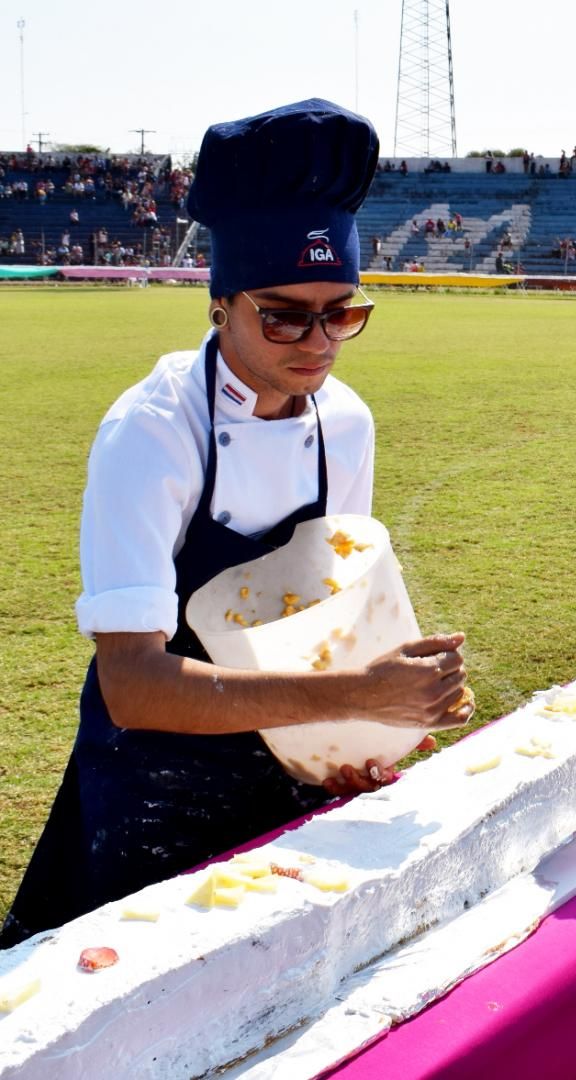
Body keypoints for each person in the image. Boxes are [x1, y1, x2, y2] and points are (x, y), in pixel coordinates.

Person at [0, 100, 473, 949]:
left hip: (286, 771)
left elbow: (326, 619)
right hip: (152, 788)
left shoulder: (346, 425)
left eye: (343, 312)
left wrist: (362, 737)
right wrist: (358, 695)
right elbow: (133, 686)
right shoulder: (151, 432)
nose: (319, 342)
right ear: (220, 302)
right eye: (285, 314)